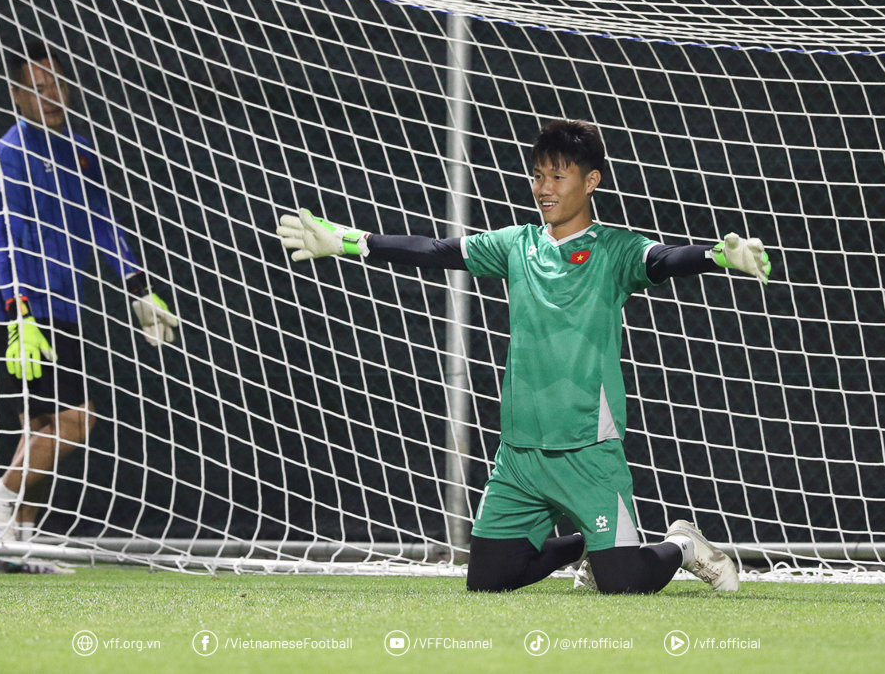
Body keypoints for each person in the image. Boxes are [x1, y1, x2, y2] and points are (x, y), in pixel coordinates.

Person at [277, 118, 771, 594]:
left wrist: (716, 257)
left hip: (586, 453)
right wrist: (349, 241)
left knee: (625, 582)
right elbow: (435, 249)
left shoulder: (614, 250)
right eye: (538, 175)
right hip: (519, 454)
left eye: (558, 175)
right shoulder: (517, 244)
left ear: (591, 180)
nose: (544, 187)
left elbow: (662, 260)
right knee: (487, 579)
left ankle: (683, 545)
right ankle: (590, 548)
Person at [0, 39, 179, 573]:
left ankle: (20, 543)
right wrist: (18, 315)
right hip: (27, 314)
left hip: (68, 307)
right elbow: (3, 236)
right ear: (17, 97)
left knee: (37, 431)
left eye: (57, 83)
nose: (51, 95)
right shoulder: (8, 156)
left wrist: (138, 288)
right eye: (38, 89)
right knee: (76, 422)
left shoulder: (79, 150)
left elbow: (100, 223)